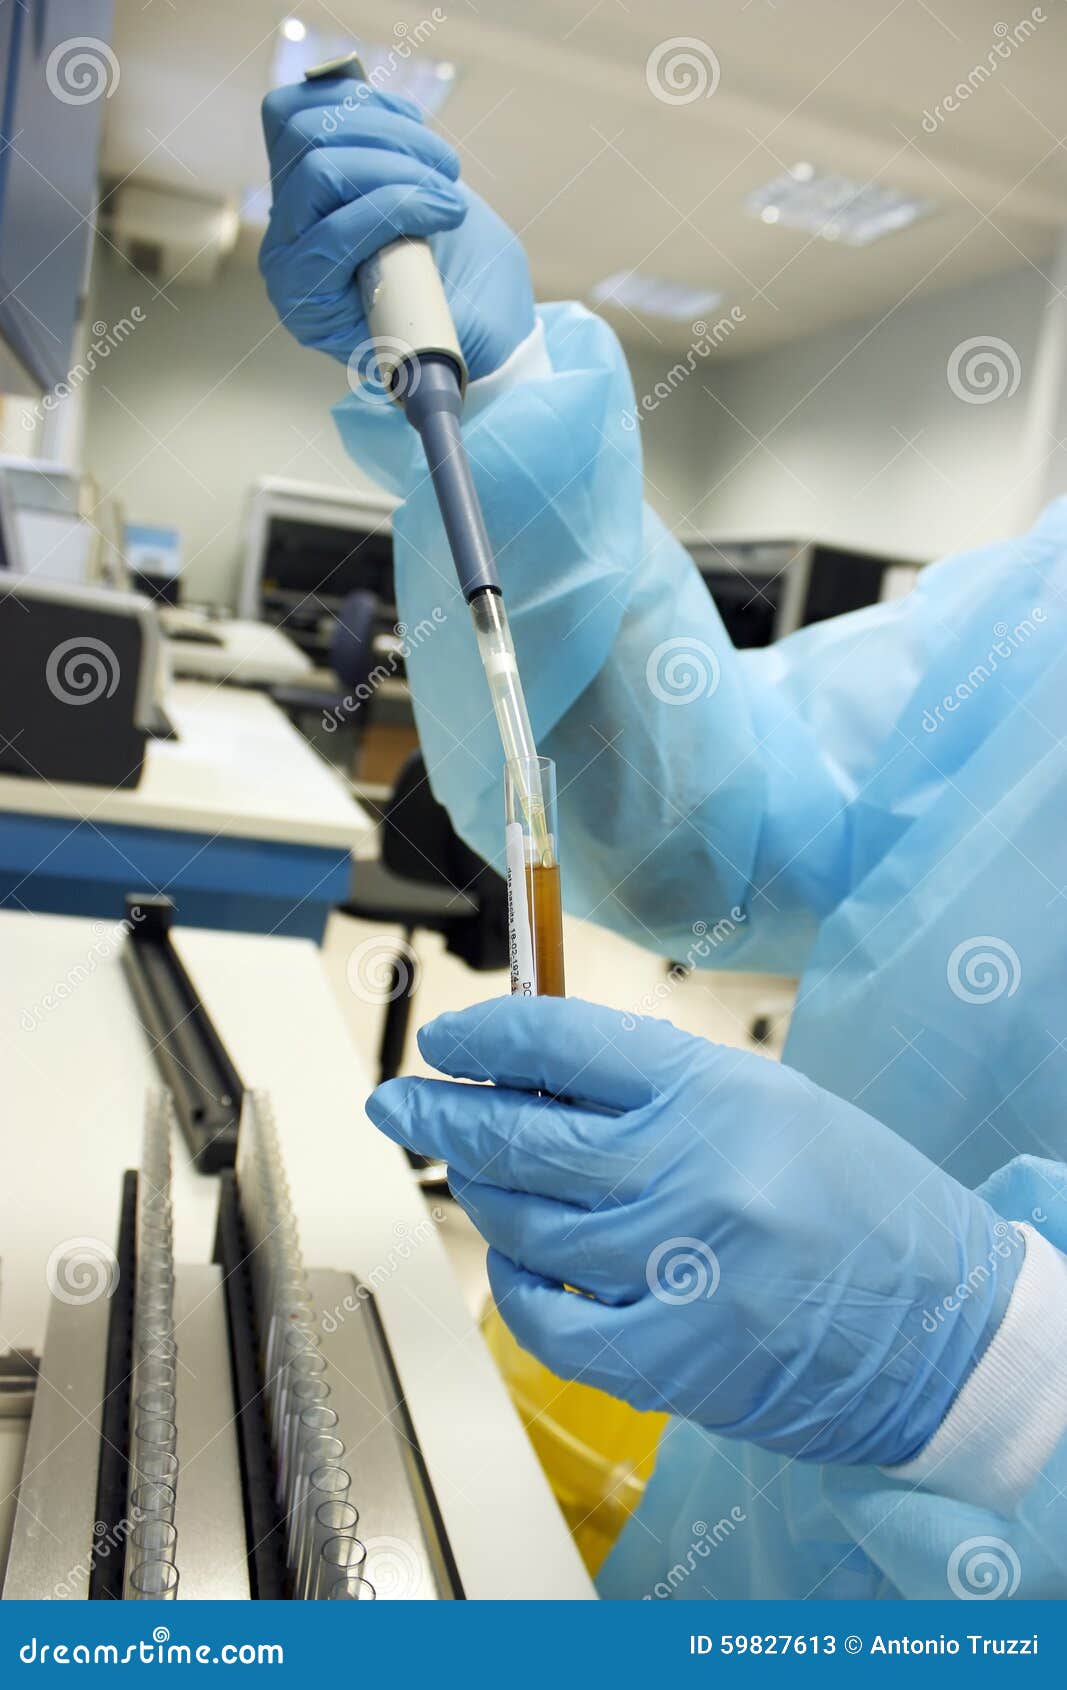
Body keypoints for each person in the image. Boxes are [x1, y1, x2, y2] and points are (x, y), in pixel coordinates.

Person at [259, 78, 1067, 1600]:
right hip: (752, 1551)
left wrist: (1010, 1382)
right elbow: (728, 831)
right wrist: (501, 406)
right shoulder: (1051, 598)